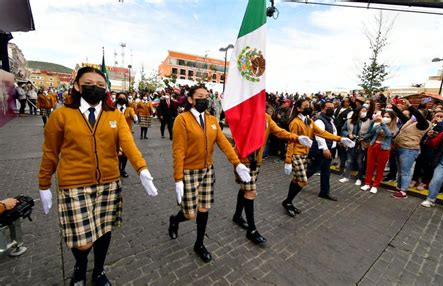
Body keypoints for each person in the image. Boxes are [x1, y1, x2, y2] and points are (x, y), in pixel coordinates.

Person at [37, 67, 158, 286]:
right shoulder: (61, 115)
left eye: (101, 85)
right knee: (82, 242)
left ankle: (99, 271)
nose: (96, 88)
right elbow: (50, 152)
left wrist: (142, 169)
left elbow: (128, 144)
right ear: (77, 86)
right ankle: (80, 268)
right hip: (74, 185)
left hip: (109, 183)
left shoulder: (114, 115)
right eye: (90, 83)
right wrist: (44, 184)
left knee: (103, 231)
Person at [168, 85, 251, 263]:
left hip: (207, 171)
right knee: (189, 214)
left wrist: (237, 163)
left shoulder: (212, 120)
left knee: (204, 209)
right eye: (200, 96)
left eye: (207, 96)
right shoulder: (182, 120)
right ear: (190, 99)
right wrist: (178, 179)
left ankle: (199, 244)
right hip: (188, 172)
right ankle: (175, 220)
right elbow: (178, 151)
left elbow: (223, 143)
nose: (204, 99)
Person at [232, 113, 313, 244]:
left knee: (245, 190)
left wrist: (297, 138)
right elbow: (238, 140)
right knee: (250, 192)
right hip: (244, 161)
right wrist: (237, 163)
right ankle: (251, 230)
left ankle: (237, 215)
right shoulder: (245, 114)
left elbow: (279, 132)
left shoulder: (266, 117)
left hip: (256, 161)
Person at [282, 99, 353, 217]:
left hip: (304, 154)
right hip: (296, 154)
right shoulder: (295, 122)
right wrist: (288, 160)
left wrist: (340, 139)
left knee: (296, 180)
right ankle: (287, 201)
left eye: (309, 105)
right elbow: (291, 142)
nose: (309, 107)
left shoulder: (308, 121)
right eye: (305, 106)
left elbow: (322, 133)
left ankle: (288, 202)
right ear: (299, 108)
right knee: (302, 181)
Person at [391, 99, 431, 199]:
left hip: (409, 150)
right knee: (400, 171)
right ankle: (399, 187)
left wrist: (410, 106)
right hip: (400, 148)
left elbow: (419, 116)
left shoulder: (423, 124)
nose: (414, 115)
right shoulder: (411, 122)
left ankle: (403, 191)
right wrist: (393, 106)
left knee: (405, 171)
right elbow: (400, 115)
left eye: (417, 114)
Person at [360, 111, 398, 194]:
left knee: (380, 168)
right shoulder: (378, 125)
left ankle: (375, 185)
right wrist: (373, 123)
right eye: (384, 116)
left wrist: (382, 124)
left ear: (392, 119)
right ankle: (367, 183)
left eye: (388, 117)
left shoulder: (395, 128)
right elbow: (371, 132)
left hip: (384, 149)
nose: (385, 118)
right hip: (373, 146)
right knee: (370, 165)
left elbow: (389, 135)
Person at [116, 92, 138, 178]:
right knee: (116, 154)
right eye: (120, 97)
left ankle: (123, 170)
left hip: (126, 135)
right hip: (114, 134)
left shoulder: (129, 109)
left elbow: (133, 116)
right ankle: (117, 169)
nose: (122, 98)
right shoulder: (112, 108)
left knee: (125, 154)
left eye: (123, 97)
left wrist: (134, 117)